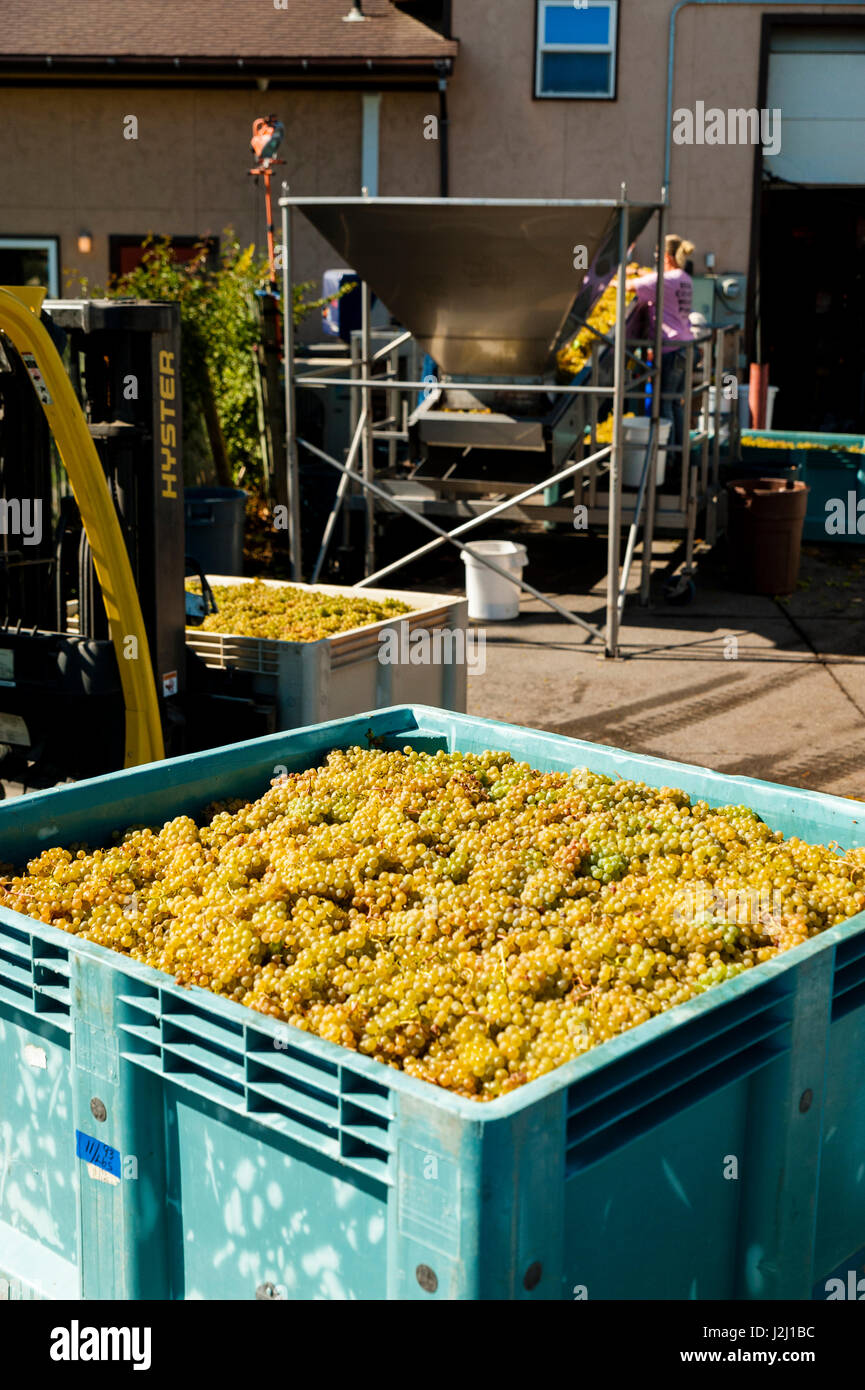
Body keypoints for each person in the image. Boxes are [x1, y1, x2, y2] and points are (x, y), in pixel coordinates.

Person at [627, 235, 696, 460]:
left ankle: (667, 458)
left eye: (658, 257)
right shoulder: (685, 278)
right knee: (676, 403)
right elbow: (653, 279)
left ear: (666, 257)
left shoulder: (664, 281)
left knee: (663, 403)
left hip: (670, 350)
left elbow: (629, 287)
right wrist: (637, 271)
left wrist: (611, 280)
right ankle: (681, 453)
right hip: (686, 346)